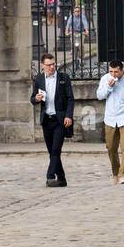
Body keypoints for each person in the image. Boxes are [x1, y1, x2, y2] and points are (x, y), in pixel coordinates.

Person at [31, 52, 75, 187]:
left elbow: (70, 98)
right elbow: (32, 99)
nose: (51, 67)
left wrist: (68, 115)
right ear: (42, 65)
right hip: (46, 120)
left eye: (53, 64)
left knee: (56, 150)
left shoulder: (63, 78)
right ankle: (61, 179)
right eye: (48, 65)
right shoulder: (38, 79)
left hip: (60, 120)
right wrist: (36, 99)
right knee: (52, 152)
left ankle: (50, 176)